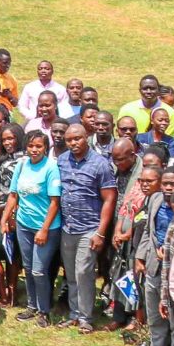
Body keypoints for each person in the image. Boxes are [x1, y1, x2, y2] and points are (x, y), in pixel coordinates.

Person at [53, 120, 118, 333]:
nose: (73, 143)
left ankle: (86, 317)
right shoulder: (62, 160)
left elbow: (109, 199)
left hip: (89, 228)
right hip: (67, 227)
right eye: (69, 140)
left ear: (86, 138)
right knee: (71, 273)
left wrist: (101, 232)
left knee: (84, 272)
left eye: (77, 139)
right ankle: (74, 313)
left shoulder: (100, 164)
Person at [8, 128, 63, 324]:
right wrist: (6, 219)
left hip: (46, 227)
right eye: (31, 145)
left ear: (46, 148)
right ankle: (32, 306)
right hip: (24, 224)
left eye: (39, 146)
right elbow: (13, 195)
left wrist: (44, 229)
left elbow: (55, 202)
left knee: (39, 270)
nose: (34, 149)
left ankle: (44, 311)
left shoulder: (51, 167)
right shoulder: (22, 165)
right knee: (29, 267)